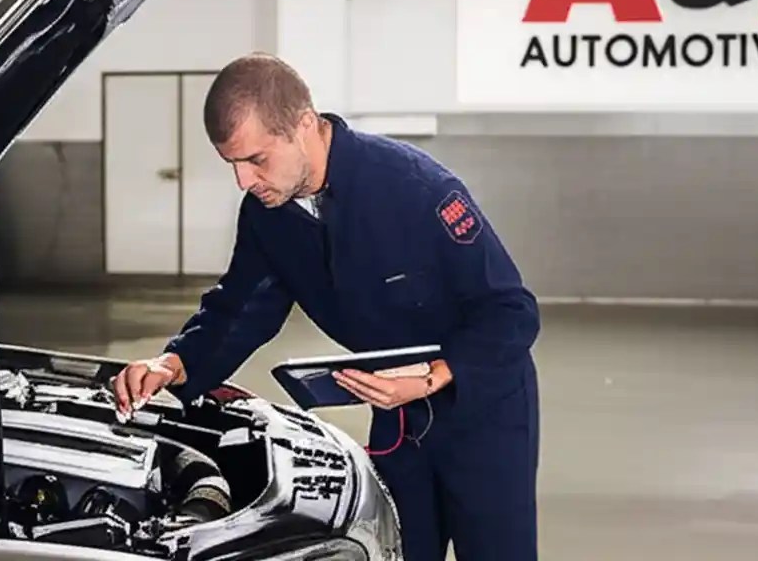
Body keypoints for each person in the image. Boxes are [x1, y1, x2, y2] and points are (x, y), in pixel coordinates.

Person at [111, 52, 540, 560]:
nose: (244, 182)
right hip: (397, 417)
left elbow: (510, 311)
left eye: (256, 159)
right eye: (232, 164)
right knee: (399, 553)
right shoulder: (267, 215)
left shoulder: (419, 190)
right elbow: (240, 307)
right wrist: (173, 364)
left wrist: (430, 377)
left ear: (304, 125)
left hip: (482, 411)